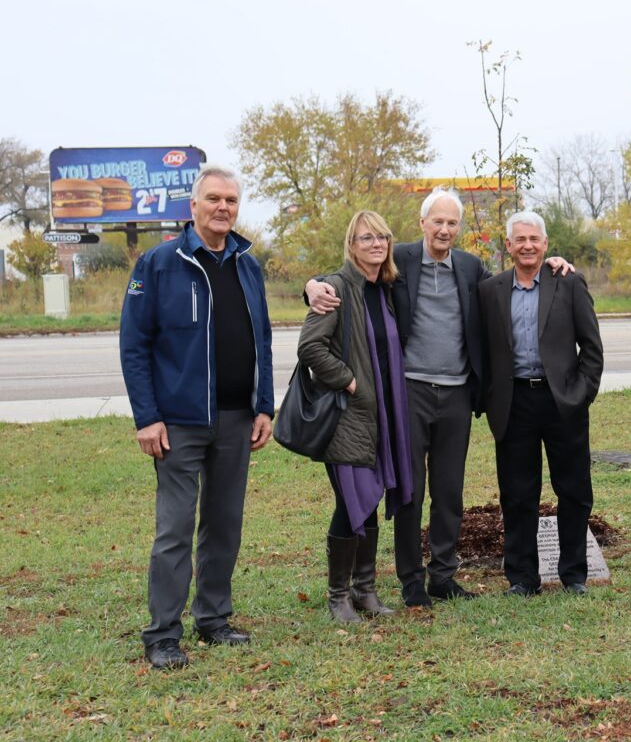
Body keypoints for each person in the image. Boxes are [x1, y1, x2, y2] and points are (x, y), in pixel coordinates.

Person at [305, 188, 573, 606]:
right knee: (410, 490)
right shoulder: (400, 260)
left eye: (452, 223)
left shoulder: (470, 267)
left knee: (449, 491)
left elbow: (509, 285)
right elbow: (354, 272)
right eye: (438, 222)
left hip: (457, 393)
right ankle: (411, 579)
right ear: (423, 223)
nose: (444, 229)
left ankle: (443, 575)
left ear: (459, 228)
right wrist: (312, 285)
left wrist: (552, 264)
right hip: (408, 393)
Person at [119, 164, 274, 670]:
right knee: (175, 530)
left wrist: (264, 405)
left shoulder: (248, 266)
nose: (223, 207)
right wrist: (147, 417)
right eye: (213, 199)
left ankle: (214, 619)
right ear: (193, 206)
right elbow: (134, 345)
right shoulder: (160, 264)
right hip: (178, 424)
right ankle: (163, 634)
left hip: (236, 419)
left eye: (230, 200)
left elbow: (262, 340)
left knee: (224, 524)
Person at [297, 210, 416, 621]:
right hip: (349, 415)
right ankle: (338, 597)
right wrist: (349, 381)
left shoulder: (383, 290)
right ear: (351, 245)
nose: (376, 244)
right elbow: (310, 347)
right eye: (366, 238)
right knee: (352, 501)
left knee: (371, 496)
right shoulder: (335, 289)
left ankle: (365, 591)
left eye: (382, 237)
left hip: (383, 414)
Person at [479, 211, 604, 597]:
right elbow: (481, 350)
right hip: (514, 403)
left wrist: (581, 394)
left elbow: (592, 347)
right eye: (520, 239)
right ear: (508, 246)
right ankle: (522, 578)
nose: (528, 245)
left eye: (534, 239)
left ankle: (574, 575)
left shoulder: (568, 282)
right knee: (518, 493)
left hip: (562, 401)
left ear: (546, 244)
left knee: (574, 490)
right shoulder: (490, 291)